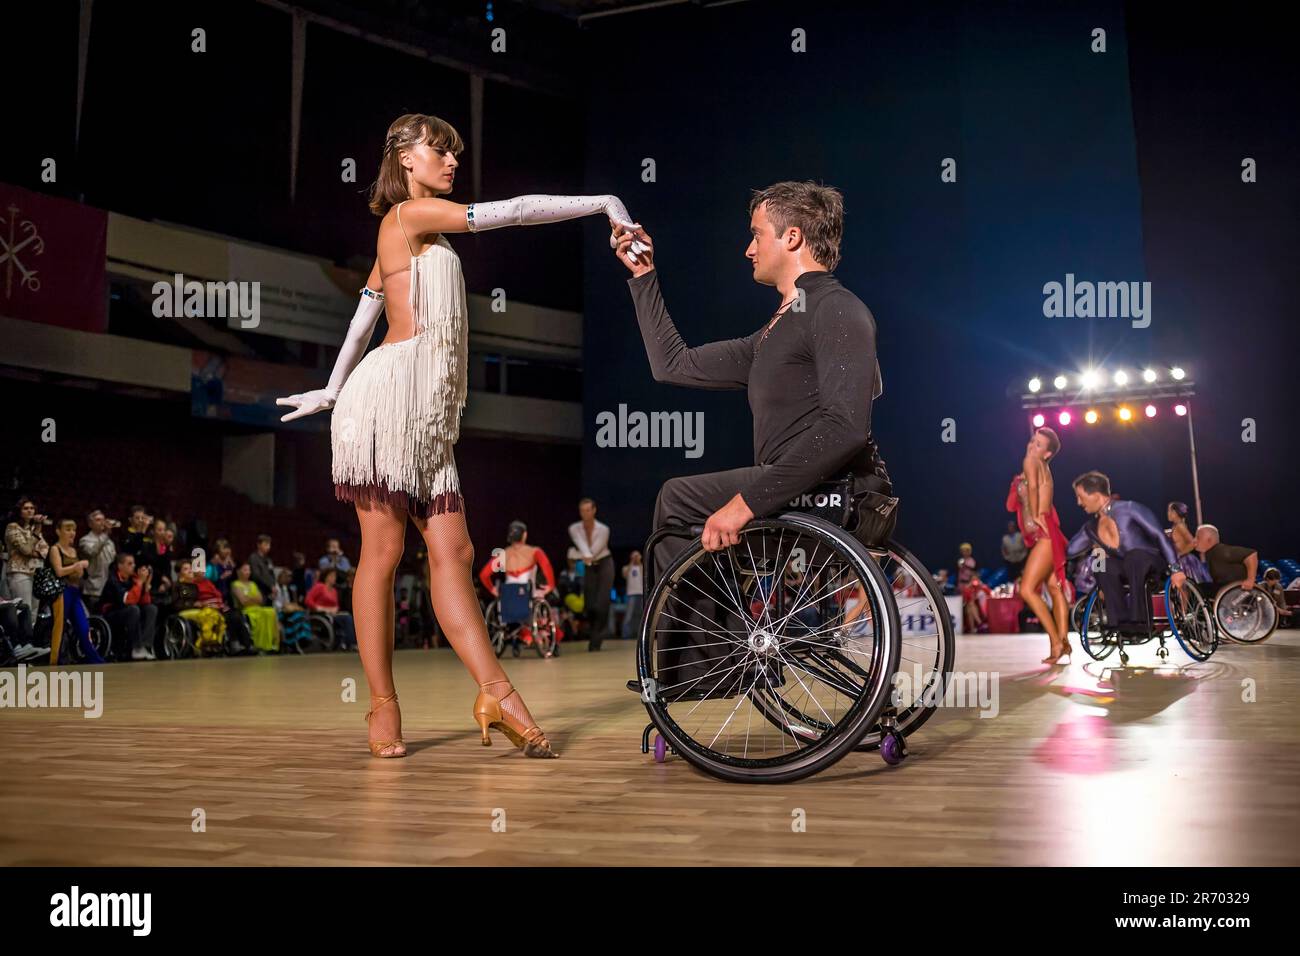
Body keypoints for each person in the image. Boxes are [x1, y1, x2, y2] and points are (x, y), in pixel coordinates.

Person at [273, 114, 638, 757]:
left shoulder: (410, 236)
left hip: (429, 421)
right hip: (388, 406)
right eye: (437, 150)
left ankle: (495, 691)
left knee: (456, 555)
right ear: (405, 160)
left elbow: (362, 317)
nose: (449, 161)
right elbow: (518, 212)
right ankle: (382, 708)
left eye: (453, 152)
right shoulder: (411, 217)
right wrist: (604, 203)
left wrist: (330, 387)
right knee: (382, 557)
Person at [613, 181, 890, 698]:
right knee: (679, 498)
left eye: (756, 234)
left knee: (677, 501)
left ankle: (704, 666)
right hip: (796, 488)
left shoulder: (836, 308)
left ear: (792, 237)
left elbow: (846, 426)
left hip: (837, 491)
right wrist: (645, 276)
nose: (748, 248)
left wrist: (745, 504)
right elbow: (671, 364)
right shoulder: (775, 331)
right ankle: (714, 657)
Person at [1068, 471, 1186, 637]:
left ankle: (1140, 621)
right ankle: (1119, 622)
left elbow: (1159, 535)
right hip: (1126, 567)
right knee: (1102, 565)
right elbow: (1070, 550)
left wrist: (1175, 569)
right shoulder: (1091, 527)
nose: (1079, 502)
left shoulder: (1129, 508)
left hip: (1152, 564)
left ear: (1095, 494)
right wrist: (1098, 552)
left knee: (1134, 556)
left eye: (1080, 496)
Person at [1007, 427, 1071, 663]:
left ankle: (1056, 642)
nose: (1033, 446)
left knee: (1026, 590)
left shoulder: (1031, 462)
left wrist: (1033, 514)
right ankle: (1063, 642)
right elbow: (1014, 502)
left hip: (1044, 535)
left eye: (1039, 444)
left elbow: (1033, 490)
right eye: (1033, 440)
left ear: (1046, 453)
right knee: (1054, 588)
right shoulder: (1039, 467)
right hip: (1049, 533)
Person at [478, 520, 557, 657]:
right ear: (524, 535)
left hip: (507, 597)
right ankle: (543, 638)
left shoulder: (502, 554)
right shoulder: (534, 551)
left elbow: (484, 575)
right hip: (526, 594)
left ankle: (519, 636)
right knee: (542, 596)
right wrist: (550, 586)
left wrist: (493, 590)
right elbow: (547, 567)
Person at [46, 518, 103, 665]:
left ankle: (95, 659)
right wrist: (77, 566)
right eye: (68, 529)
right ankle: (55, 661)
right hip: (61, 593)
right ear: (58, 531)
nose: (72, 533)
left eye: (74, 529)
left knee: (83, 627)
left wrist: (80, 570)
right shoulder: (55, 549)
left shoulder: (73, 550)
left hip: (75, 592)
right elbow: (58, 572)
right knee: (59, 628)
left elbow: (76, 575)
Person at [569, 498, 612, 651]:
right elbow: (580, 544)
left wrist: (579, 556)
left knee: (601, 603)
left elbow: (596, 549)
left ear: (594, 510)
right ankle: (595, 632)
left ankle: (596, 640)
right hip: (589, 566)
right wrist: (583, 556)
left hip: (604, 564)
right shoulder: (575, 528)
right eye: (582, 510)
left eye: (588, 510)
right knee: (589, 604)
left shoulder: (604, 529)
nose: (585, 513)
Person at [100, 552, 158, 661]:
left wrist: (145, 586)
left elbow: (145, 602)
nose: (134, 566)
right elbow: (128, 600)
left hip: (127, 610)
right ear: (120, 566)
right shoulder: (114, 580)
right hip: (111, 613)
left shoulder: (133, 579)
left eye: (134, 563)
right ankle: (136, 647)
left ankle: (145, 646)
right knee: (133, 609)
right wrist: (140, 582)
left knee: (151, 609)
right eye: (130, 564)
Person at [4, 497, 50, 618]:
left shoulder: (34, 529)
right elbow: (26, 549)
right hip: (19, 572)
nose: (30, 511)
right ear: (19, 511)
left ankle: (29, 636)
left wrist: (32, 552)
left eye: (32, 508)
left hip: (36, 573)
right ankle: (20, 637)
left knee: (34, 612)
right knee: (24, 609)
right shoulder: (12, 527)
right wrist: (33, 549)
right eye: (26, 508)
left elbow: (45, 550)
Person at [231, 562, 280, 653]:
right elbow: (243, 601)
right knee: (262, 614)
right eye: (245, 570)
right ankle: (259, 644)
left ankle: (270, 644)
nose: (248, 572)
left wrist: (250, 598)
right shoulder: (235, 585)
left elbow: (260, 599)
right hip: (245, 610)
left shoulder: (252, 584)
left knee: (270, 611)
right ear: (238, 572)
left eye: (249, 570)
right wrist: (253, 599)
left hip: (257, 608)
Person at [1194, 524, 1259, 590]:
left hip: (1237, 590)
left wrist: (1250, 580)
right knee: (1199, 587)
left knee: (1198, 589)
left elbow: (1251, 554)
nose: (1194, 541)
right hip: (1225, 588)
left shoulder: (1220, 551)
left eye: (1198, 538)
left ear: (1209, 540)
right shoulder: (1211, 554)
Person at [305, 567, 356, 650]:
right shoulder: (319, 587)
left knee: (349, 617)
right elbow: (308, 600)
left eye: (334, 576)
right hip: (320, 614)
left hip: (332, 614)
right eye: (332, 576)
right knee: (347, 618)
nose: (334, 578)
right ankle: (351, 644)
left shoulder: (334, 590)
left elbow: (336, 606)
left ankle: (349, 642)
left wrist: (335, 610)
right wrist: (320, 608)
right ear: (326, 577)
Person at [78, 509, 119, 609]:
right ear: (90, 524)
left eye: (103, 520)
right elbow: (92, 552)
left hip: (108, 587)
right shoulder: (85, 540)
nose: (102, 522)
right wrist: (105, 535)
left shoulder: (109, 542)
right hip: (93, 589)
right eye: (98, 520)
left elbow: (114, 560)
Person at [1166, 501, 1210, 583]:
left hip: (1185, 562)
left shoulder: (1180, 526)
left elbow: (1193, 543)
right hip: (1178, 561)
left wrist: (1180, 554)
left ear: (1176, 512)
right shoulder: (1175, 526)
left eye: (1170, 511)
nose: (1168, 513)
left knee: (1184, 586)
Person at [621, 550, 645, 640]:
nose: (635, 558)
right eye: (633, 556)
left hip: (641, 593)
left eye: (637, 556)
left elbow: (644, 575)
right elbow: (625, 574)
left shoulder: (642, 567)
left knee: (640, 615)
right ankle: (626, 634)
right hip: (631, 594)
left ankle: (639, 634)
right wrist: (632, 562)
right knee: (629, 615)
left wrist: (639, 562)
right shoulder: (626, 568)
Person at [247, 535, 276, 600]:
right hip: (258, 590)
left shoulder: (269, 560)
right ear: (258, 545)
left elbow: (272, 575)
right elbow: (256, 575)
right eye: (266, 545)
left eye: (269, 545)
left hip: (269, 592)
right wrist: (269, 586)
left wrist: (273, 586)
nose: (268, 547)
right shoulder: (253, 558)